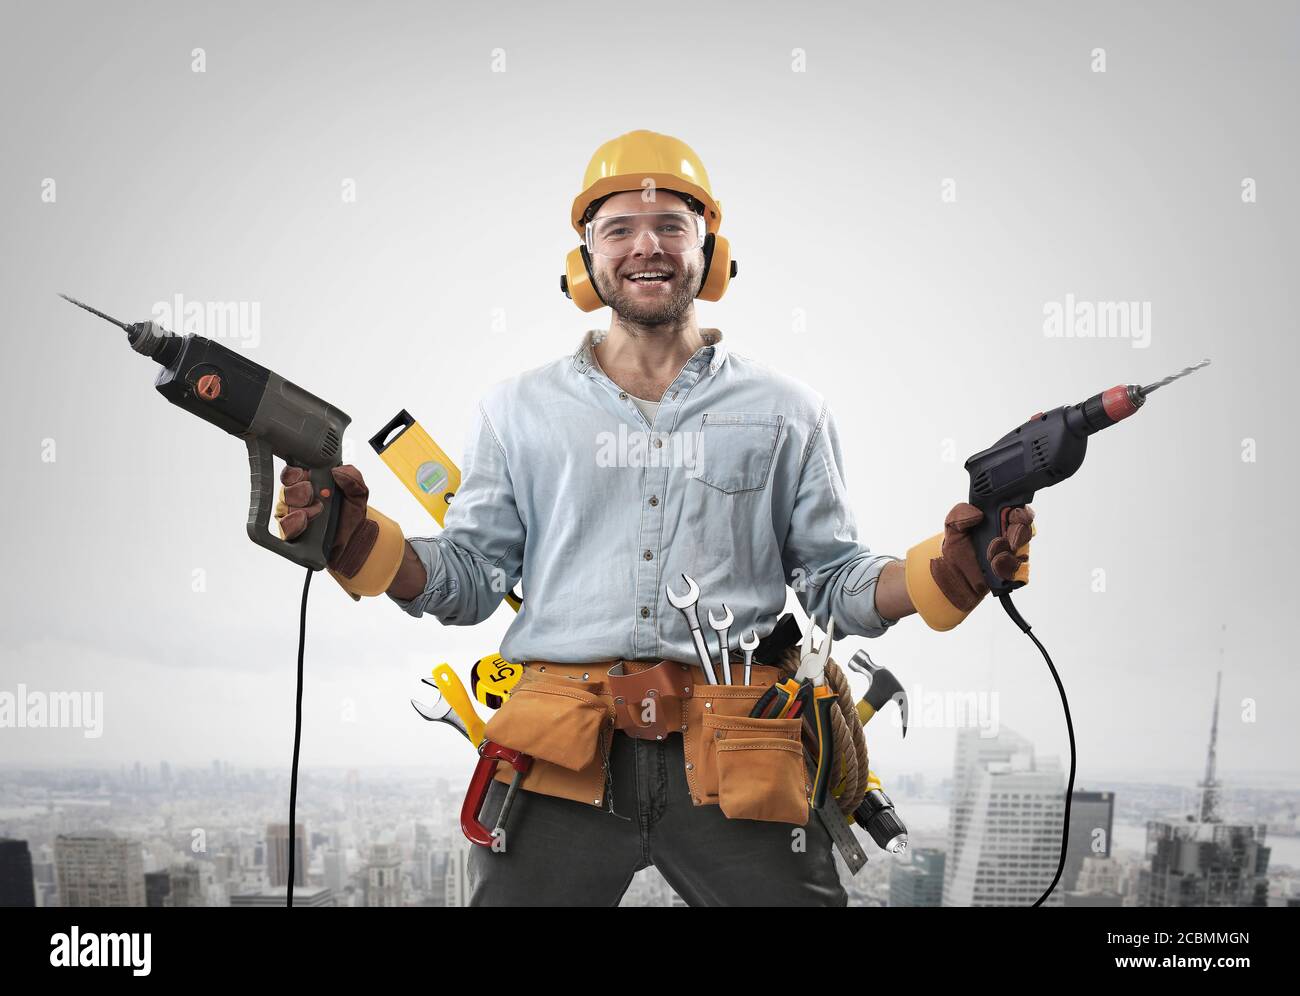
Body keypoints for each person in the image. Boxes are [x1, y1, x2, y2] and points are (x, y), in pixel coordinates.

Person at [277, 129, 1034, 906]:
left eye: (672, 225)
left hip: (740, 750)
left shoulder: (790, 412)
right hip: (560, 757)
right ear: (585, 257)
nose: (648, 247)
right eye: (619, 230)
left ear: (711, 249)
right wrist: (356, 542)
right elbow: (469, 580)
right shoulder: (515, 412)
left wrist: (946, 576)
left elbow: (836, 583)